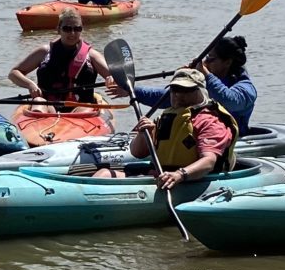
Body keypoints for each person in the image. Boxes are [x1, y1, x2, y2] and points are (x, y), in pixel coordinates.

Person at [98, 67, 239, 188]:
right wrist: (145, 133)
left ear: (200, 91)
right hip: (161, 174)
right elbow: (137, 153)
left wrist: (179, 175)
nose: (178, 95)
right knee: (104, 174)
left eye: (185, 90)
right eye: (174, 89)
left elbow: (209, 161)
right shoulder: (169, 117)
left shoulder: (210, 121)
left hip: (191, 180)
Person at [133, 35, 259, 129]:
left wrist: (205, 74)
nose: (206, 62)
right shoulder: (203, 83)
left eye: (211, 59)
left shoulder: (246, 88)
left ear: (227, 62)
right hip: (199, 136)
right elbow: (167, 97)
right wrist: (132, 91)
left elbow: (229, 101)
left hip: (230, 141)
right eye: (206, 58)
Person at [8, 9, 117, 110]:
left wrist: (111, 79)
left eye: (77, 29)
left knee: (85, 108)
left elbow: (113, 76)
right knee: (38, 102)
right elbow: (14, 73)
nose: (72, 33)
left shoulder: (92, 55)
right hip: (49, 108)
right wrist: (30, 85)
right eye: (67, 29)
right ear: (58, 29)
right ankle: (40, 126)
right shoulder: (44, 52)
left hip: (82, 109)